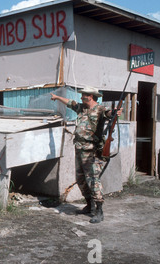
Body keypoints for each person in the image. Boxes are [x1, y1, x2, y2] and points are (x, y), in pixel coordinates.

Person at [51, 87, 122, 224]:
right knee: (80, 179)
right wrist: (57, 97)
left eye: (84, 95)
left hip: (92, 151)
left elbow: (110, 113)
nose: (82, 97)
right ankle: (89, 206)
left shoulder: (100, 109)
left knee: (93, 180)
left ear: (91, 96)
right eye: (82, 95)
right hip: (79, 149)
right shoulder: (81, 108)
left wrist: (115, 112)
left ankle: (99, 211)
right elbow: (70, 102)